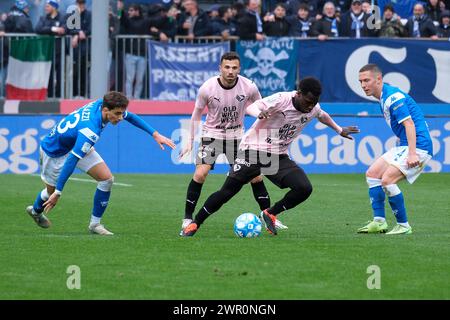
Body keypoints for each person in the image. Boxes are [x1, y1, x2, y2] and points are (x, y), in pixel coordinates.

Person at [181, 77, 360, 237]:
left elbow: (322, 115)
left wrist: (339, 129)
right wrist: (259, 113)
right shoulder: (281, 99)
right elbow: (252, 106)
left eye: (314, 102)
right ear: (298, 94)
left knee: (304, 188)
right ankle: (196, 222)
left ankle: (270, 213)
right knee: (228, 192)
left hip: (278, 156)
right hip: (253, 150)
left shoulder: (313, 108)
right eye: (308, 101)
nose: (310, 106)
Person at [26, 91, 175, 235]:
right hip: (55, 152)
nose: (121, 117)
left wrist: (155, 134)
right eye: (117, 114)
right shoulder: (91, 129)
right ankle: (35, 211)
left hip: (77, 142)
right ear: (105, 110)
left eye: (122, 113)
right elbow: (72, 159)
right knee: (50, 192)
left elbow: (130, 117)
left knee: (107, 179)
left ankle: (95, 224)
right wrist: (58, 192)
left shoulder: (102, 105)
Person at [178, 52, 289, 236]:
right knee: (200, 173)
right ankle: (188, 218)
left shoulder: (249, 86)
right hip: (212, 135)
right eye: (227, 67)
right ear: (220, 68)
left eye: (234, 68)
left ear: (239, 69)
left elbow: (260, 107)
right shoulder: (207, 88)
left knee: (256, 177)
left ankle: (269, 217)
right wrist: (190, 141)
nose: (230, 71)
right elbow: (196, 114)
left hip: (238, 137)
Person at [357, 64, 433, 235]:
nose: (363, 85)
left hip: (418, 146)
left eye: (366, 80)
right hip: (406, 145)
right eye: (360, 81)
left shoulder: (393, 98)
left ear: (379, 79)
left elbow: (409, 124)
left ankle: (404, 225)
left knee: (387, 180)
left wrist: (412, 153)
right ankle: (379, 222)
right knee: (372, 174)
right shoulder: (384, 97)